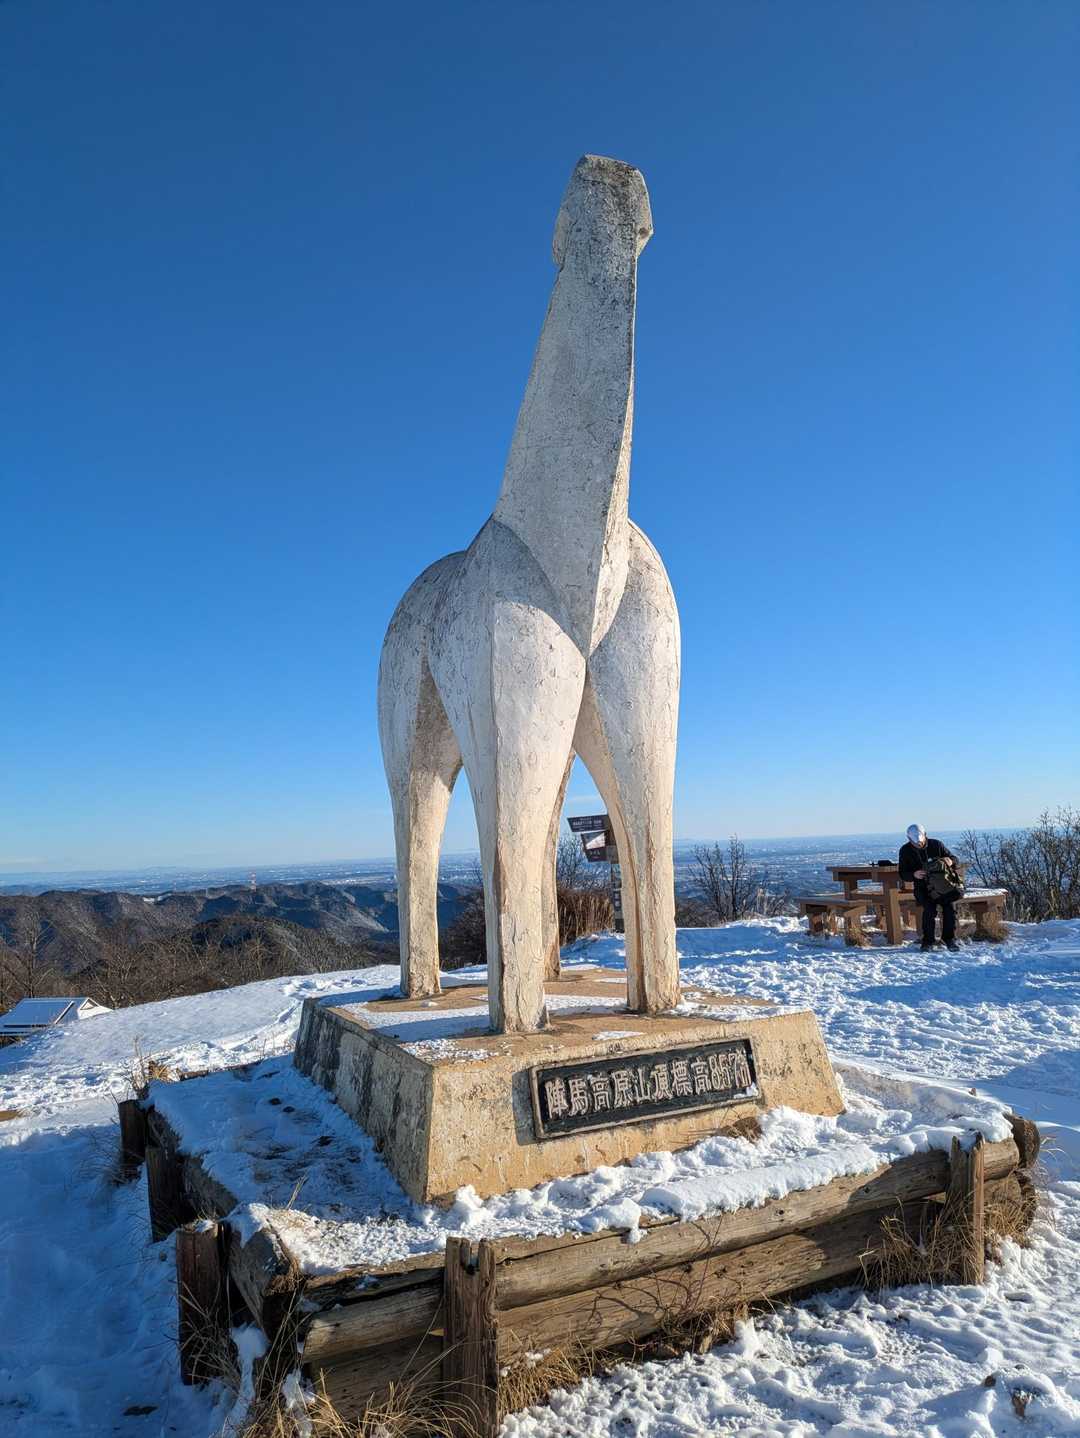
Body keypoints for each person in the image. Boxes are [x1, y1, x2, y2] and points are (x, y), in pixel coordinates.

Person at [898, 823, 959, 952]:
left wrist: (951, 861)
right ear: (909, 839)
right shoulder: (905, 850)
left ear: (925, 835)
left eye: (920, 842)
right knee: (929, 910)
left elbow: (955, 859)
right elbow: (903, 873)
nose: (918, 845)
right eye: (915, 843)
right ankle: (928, 942)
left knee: (949, 908)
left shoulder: (936, 845)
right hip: (923, 888)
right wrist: (914, 875)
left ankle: (949, 939)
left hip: (943, 886)